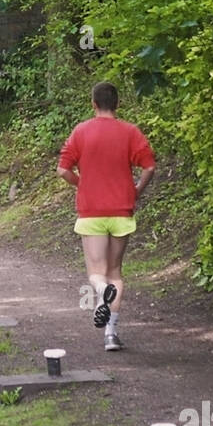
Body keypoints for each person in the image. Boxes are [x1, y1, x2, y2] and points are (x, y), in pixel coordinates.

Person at [56, 81, 157, 351]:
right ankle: (111, 334)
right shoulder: (130, 132)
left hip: (91, 212)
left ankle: (101, 293)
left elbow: (63, 170)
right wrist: (136, 191)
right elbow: (149, 167)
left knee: (96, 273)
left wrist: (82, 184)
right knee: (115, 273)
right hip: (121, 211)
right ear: (117, 104)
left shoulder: (81, 131)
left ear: (93, 104)